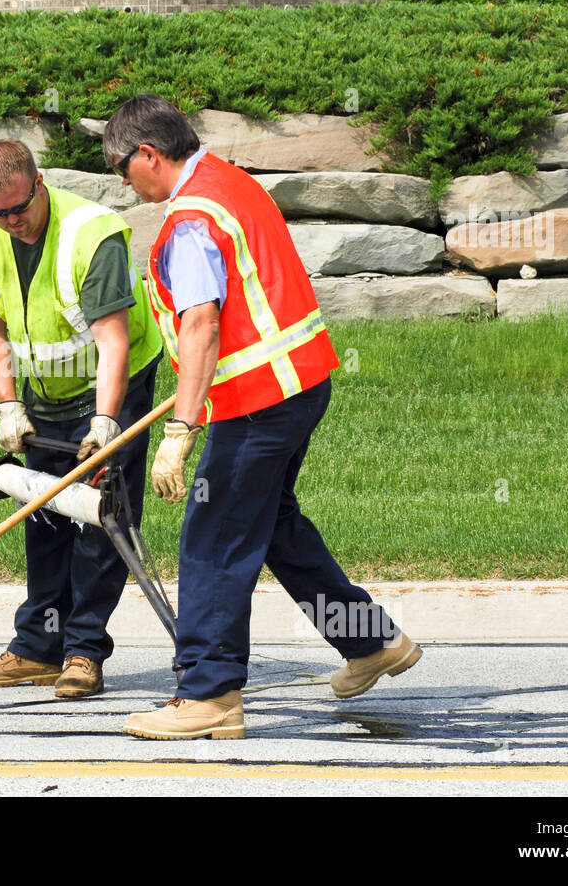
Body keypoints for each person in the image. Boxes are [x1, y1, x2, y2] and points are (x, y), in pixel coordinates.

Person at [102, 94, 421, 739]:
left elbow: (201, 324)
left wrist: (179, 433)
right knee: (269, 523)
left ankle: (210, 692)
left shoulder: (191, 219)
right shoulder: (228, 181)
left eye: (120, 167)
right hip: (299, 383)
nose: (123, 181)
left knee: (215, 535)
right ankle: (369, 642)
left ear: (148, 155)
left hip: (259, 402)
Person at [0, 139, 163, 699]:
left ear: (40, 182)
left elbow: (113, 341)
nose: (10, 222)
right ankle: (36, 648)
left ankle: (83, 651)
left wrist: (104, 424)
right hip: (43, 391)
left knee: (101, 517)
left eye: (19, 208)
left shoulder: (91, 234)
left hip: (110, 386)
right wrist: (7, 402)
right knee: (43, 513)